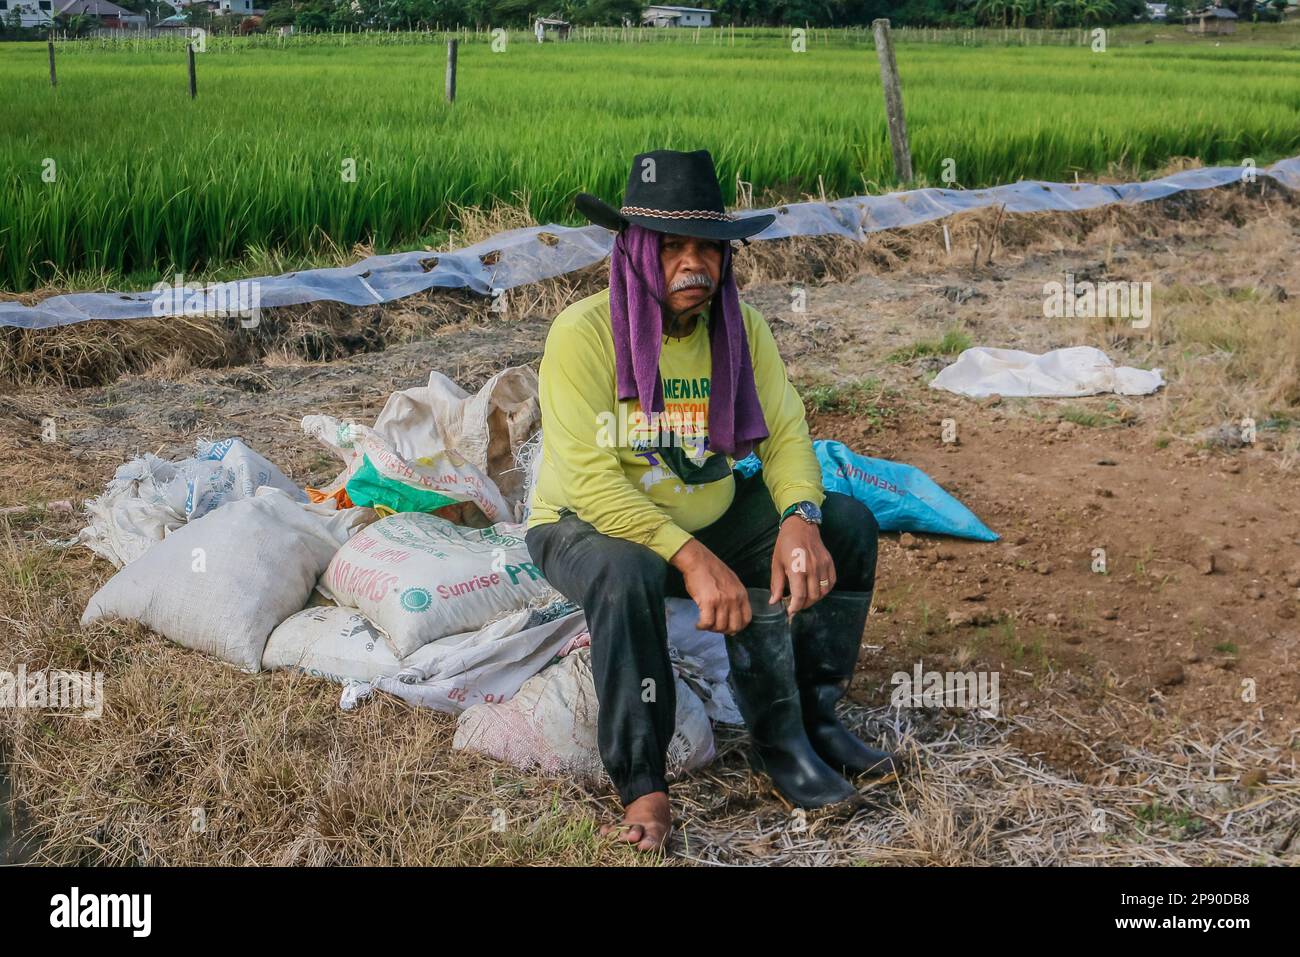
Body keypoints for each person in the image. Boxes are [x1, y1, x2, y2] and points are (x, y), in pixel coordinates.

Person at [525, 149, 896, 854]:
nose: (695, 264)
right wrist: (693, 559)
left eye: (710, 248)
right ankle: (643, 781)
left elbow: (787, 431)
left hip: (710, 509)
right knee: (626, 572)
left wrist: (800, 517)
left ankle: (804, 724)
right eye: (673, 248)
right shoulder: (585, 335)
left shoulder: (741, 330)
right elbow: (591, 482)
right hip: (588, 527)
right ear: (636, 252)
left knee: (848, 523)